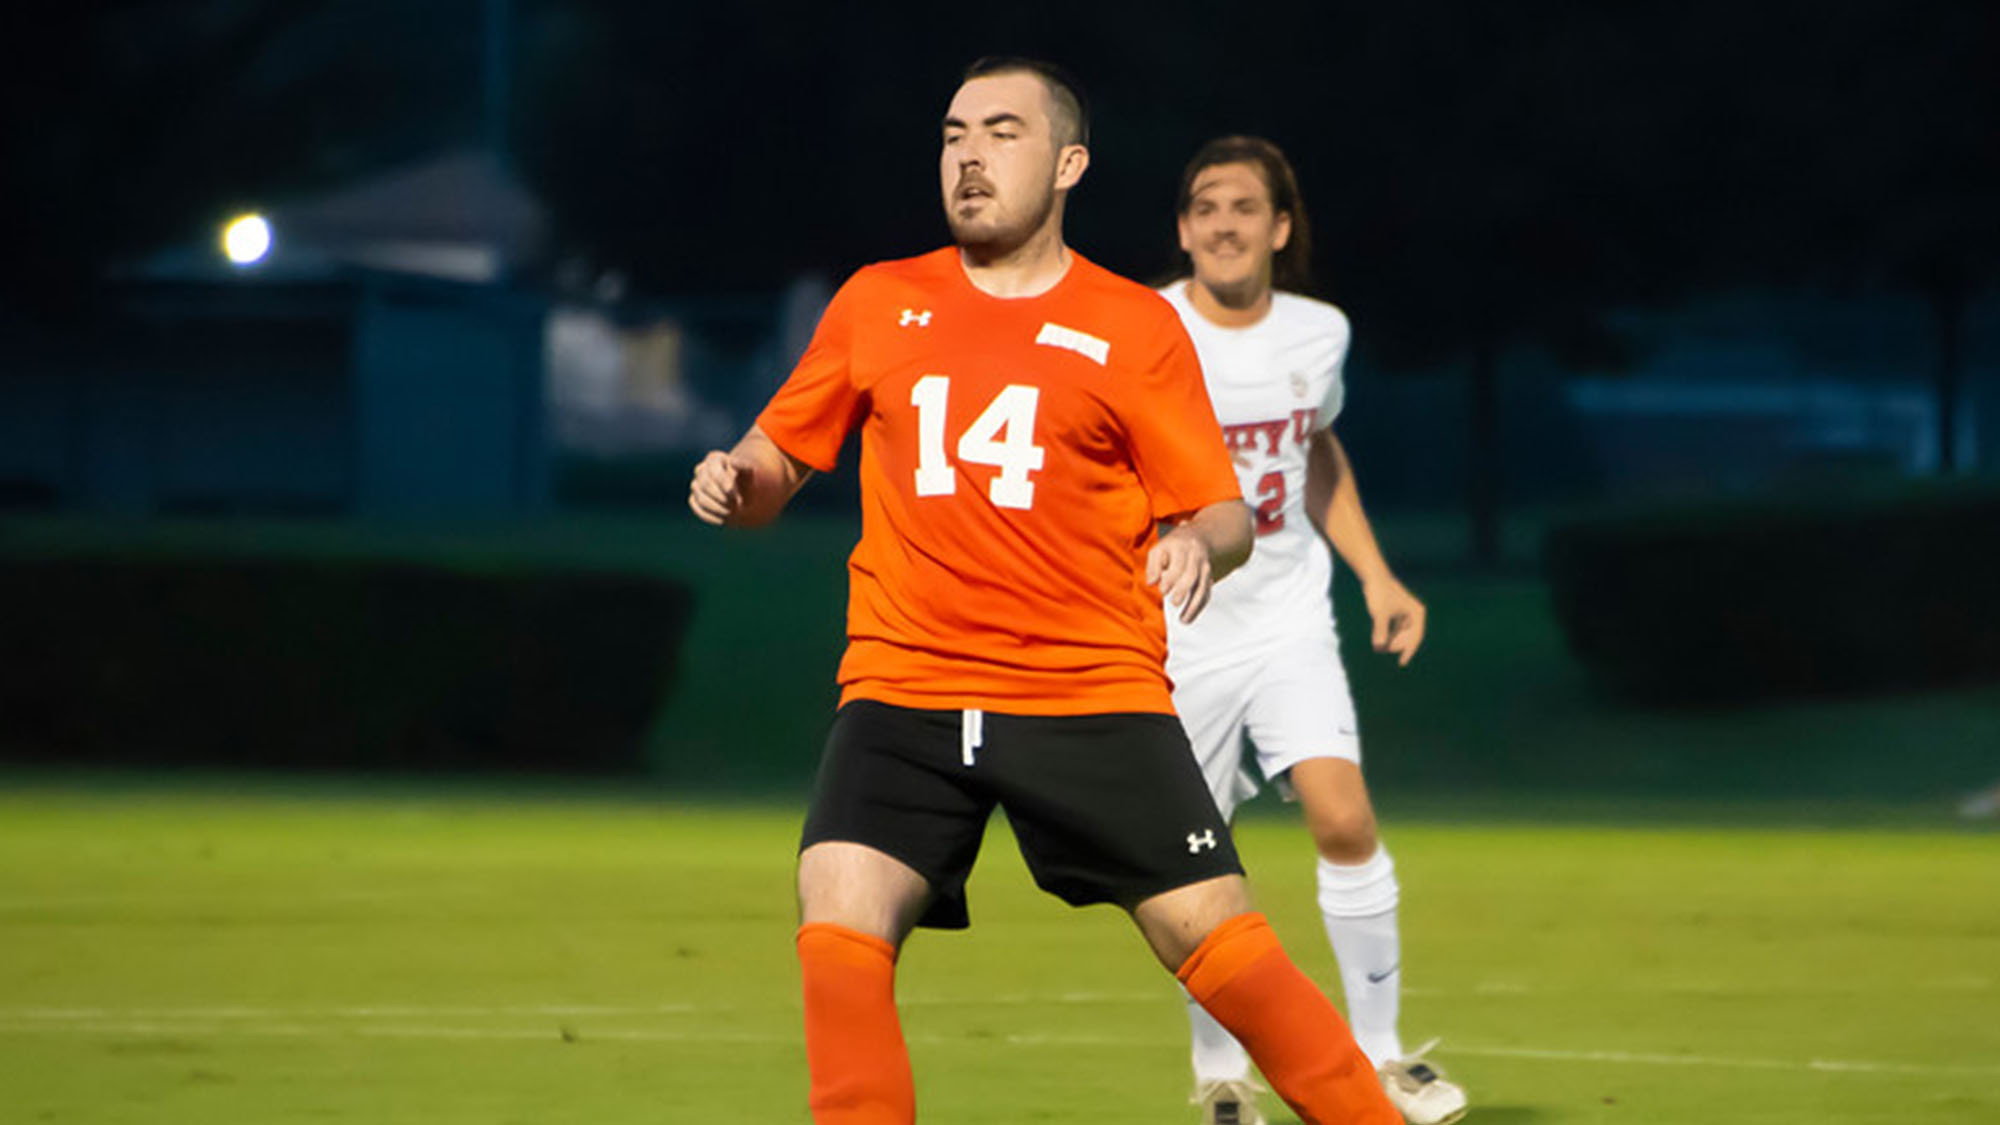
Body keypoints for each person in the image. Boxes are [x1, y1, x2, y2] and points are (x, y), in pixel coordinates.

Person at [689, 59, 1399, 1125]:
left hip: (1085, 693)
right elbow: (770, 473)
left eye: (1002, 132)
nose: (969, 155)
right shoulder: (878, 301)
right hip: (905, 688)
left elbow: (1221, 511)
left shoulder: (1130, 325)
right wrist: (734, 481)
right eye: (952, 134)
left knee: (1217, 941)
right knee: (837, 912)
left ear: (1066, 162)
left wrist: (1199, 547)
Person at [1158, 136, 1469, 1125]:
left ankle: (1378, 1058)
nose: (1223, 225)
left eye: (1243, 208)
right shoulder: (1142, 329)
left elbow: (1315, 452)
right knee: (1194, 863)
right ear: (1182, 229)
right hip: (1177, 632)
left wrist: (1376, 576)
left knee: (1342, 817)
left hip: (1290, 619)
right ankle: (1218, 1077)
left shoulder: (1317, 333)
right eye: (1205, 207)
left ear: (1279, 228)